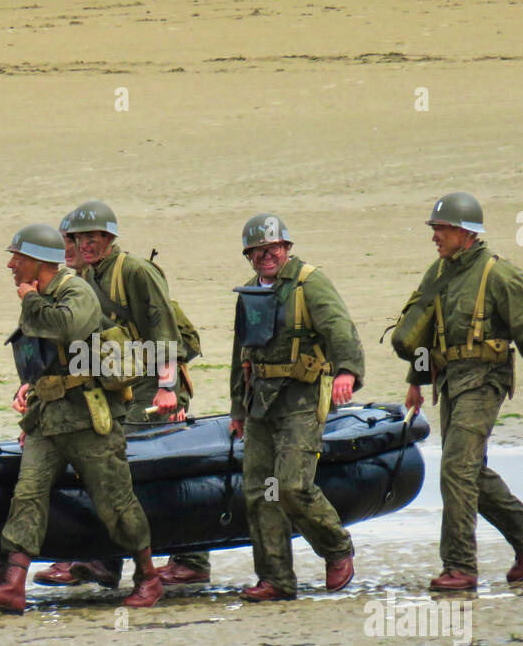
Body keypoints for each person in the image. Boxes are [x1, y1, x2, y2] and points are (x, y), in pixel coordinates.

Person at [0, 224, 164, 614]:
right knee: (28, 496)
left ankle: (149, 577)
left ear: (37, 261)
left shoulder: (76, 292)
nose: (10, 265)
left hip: (87, 417)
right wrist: (28, 386)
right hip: (47, 419)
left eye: (17, 258)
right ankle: (13, 585)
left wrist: (31, 302)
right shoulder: (38, 297)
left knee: (115, 500)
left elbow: (69, 328)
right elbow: (40, 352)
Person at [402, 192, 523, 589]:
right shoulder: (438, 273)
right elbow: (423, 329)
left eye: (440, 229)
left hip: (484, 380)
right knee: (468, 470)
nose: (434, 237)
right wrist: (417, 380)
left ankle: (460, 567)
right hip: (449, 380)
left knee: (456, 468)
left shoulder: (500, 275)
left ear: (464, 232)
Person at [38, 200, 209, 590]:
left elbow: (163, 329)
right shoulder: (89, 278)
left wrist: (168, 387)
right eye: (77, 239)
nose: (83, 245)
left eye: (91, 238)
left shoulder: (133, 271)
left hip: (154, 383)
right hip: (125, 385)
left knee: (160, 472)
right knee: (118, 472)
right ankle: (106, 561)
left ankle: (192, 559)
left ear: (109, 238)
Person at [230, 214, 365, 601]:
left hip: (301, 400)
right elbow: (240, 353)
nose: (265, 255)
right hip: (260, 404)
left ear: (286, 247)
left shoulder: (309, 283)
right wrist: (238, 409)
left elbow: (340, 328)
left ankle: (336, 548)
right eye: (256, 251)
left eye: (271, 248)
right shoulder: (251, 293)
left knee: (291, 485)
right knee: (262, 492)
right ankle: (275, 578)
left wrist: (347, 373)